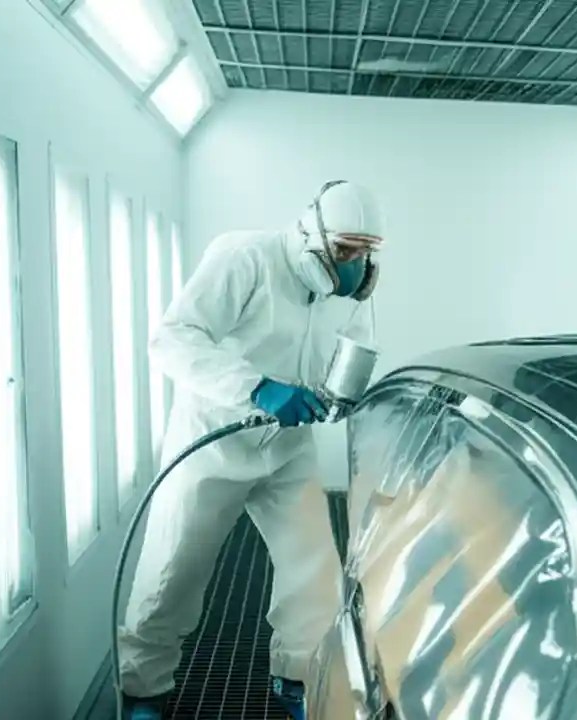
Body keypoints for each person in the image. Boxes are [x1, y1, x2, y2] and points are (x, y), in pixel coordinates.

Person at [118, 181, 384, 720]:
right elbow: (172, 338)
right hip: (214, 443)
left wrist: (345, 393)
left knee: (315, 570)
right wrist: (257, 387)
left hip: (288, 448)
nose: (354, 266)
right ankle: (143, 690)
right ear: (311, 237)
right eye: (345, 251)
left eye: (364, 252)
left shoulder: (346, 291)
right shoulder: (244, 257)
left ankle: (298, 678)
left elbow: (353, 347)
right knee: (173, 572)